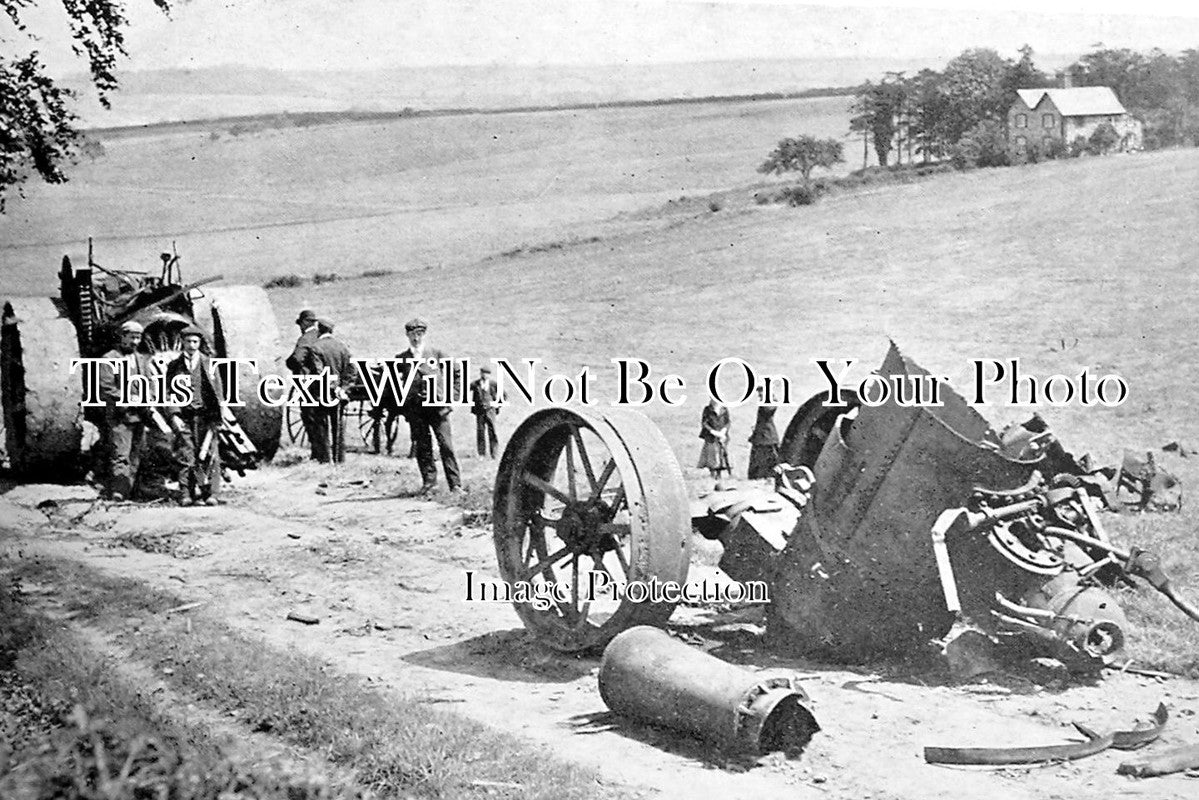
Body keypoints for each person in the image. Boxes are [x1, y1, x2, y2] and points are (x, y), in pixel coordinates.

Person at [396, 317, 461, 493]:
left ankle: (455, 485)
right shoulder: (401, 359)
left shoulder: (437, 354)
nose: (415, 338)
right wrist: (404, 407)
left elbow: (456, 373)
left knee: (446, 446)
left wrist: (452, 397)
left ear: (424, 334)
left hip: (438, 408)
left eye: (419, 334)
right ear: (407, 335)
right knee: (422, 446)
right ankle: (429, 483)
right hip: (416, 410)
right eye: (412, 334)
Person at [166, 325, 225, 505]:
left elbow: (218, 392)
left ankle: (210, 494)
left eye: (195, 342)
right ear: (182, 343)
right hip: (185, 417)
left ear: (199, 343)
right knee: (186, 455)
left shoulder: (209, 364)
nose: (192, 346)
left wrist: (217, 418)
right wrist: (174, 414)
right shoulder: (174, 366)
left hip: (206, 417)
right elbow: (168, 392)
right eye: (188, 342)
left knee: (209, 455)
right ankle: (186, 493)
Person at [97, 320, 153, 501]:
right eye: (132, 337)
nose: (136, 342)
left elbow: (150, 383)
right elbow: (106, 387)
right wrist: (128, 400)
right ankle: (118, 492)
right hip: (120, 415)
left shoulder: (142, 360)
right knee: (120, 454)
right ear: (122, 337)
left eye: (138, 338)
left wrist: (149, 397)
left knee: (137, 454)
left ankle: (131, 490)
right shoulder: (109, 359)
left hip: (139, 415)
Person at [305, 318, 355, 464]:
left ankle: (325, 459)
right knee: (338, 425)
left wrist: (332, 387)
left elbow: (320, 372)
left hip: (322, 393)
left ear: (319, 330)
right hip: (340, 394)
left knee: (322, 425)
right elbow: (352, 371)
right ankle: (340, 459)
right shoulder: (343, 347)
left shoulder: (315, 348)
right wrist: (343, 389)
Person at [286, 309, 323, 461]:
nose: (300, 328)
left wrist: (289, 363)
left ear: (304, 323)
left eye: (301, 324)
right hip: (328, 383)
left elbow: (296, 359)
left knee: (310, 417)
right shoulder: (324, 337)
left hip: (309, 384)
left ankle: (317, 452)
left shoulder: (305, 339)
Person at [470, 364, 504, 458]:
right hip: (479, 411)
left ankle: (494, 454)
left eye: (487, 373)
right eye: (483, 373)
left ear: (489, 375)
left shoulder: (493, 384)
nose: (485, 375)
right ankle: (481, 454)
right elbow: (465, 389)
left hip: (490, 411)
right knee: (480, 432)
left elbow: (503, 395)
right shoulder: (475, 384)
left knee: (492, 432)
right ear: (480, 373)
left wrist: (498, 404)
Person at [747, 387, 780, 480]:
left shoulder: (769, 404)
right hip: (761, 436)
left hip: (767, 437)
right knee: (758, 462)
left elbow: (769, 410)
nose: (760, 396)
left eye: (761, 394)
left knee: (767, 461)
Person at [697, 398, 731, 480]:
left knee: (722, 454)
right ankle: (712, 473)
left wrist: (723, 431)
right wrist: (712, 431)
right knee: (711, 455)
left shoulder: (724, 409)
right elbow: (704, 423)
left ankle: (720, 473)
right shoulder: (707, 409)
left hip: (722, 436)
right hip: (711, 437)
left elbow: (728, 422)